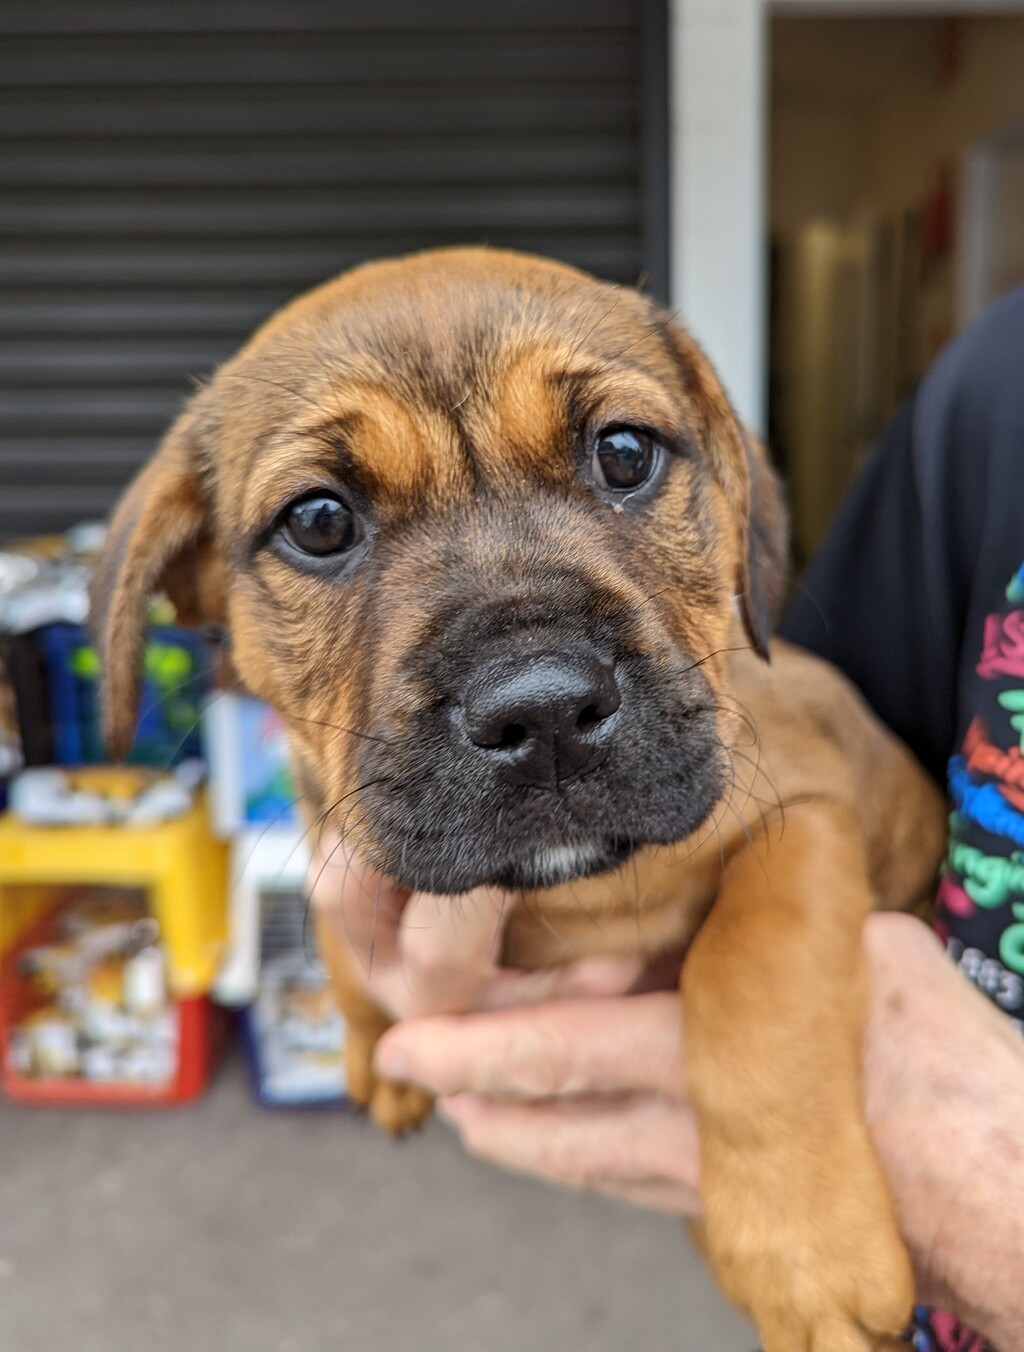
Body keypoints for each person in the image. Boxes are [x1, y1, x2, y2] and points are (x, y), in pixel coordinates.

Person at [310, 287, 1024, 1352]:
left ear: (737, 487)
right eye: (323, 523)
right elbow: (853, 754)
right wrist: (371, 1008)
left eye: (622, 456)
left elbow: (804, 811)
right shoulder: (993, 394)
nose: (533, 681)